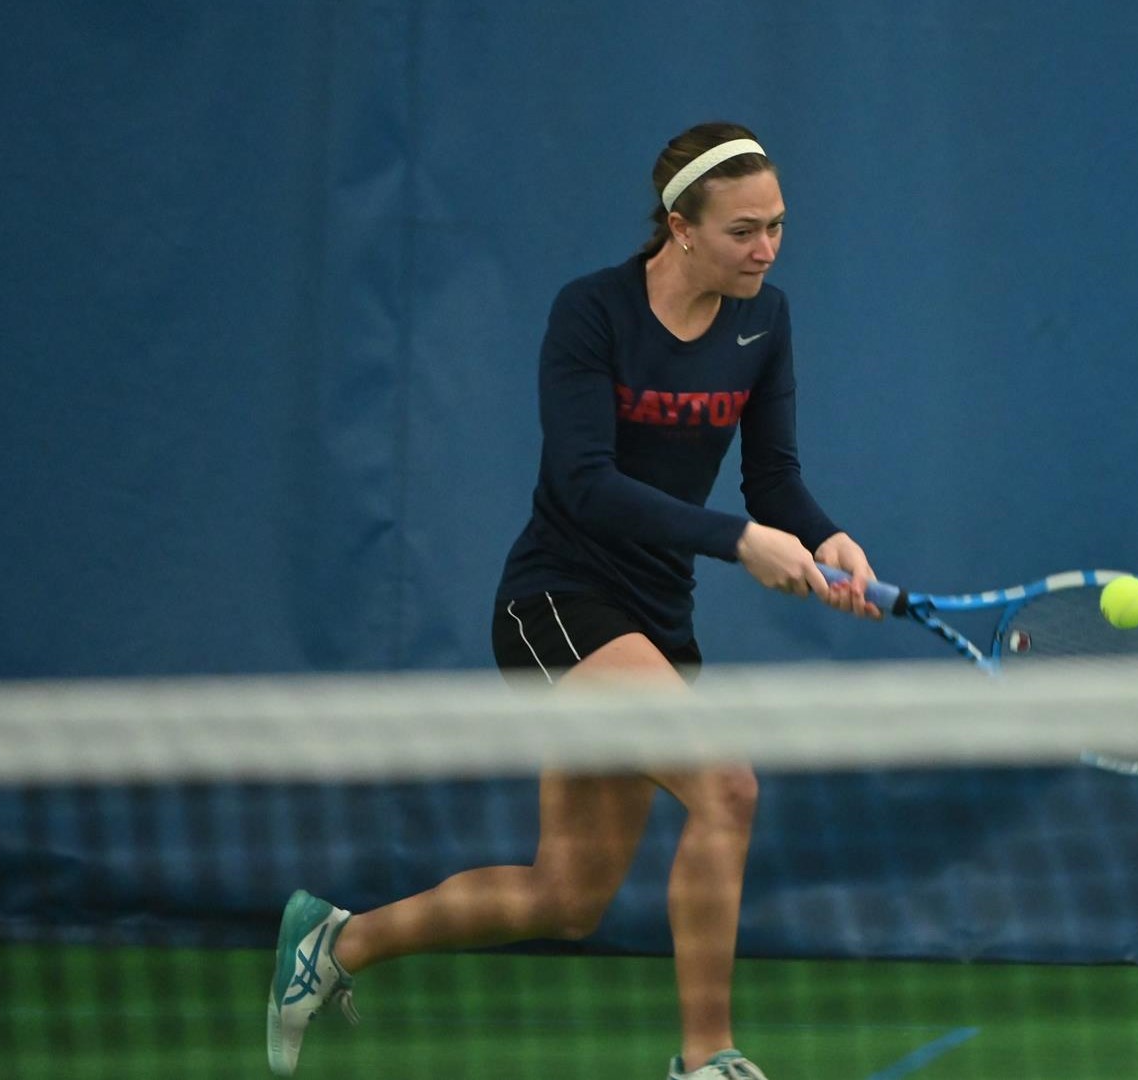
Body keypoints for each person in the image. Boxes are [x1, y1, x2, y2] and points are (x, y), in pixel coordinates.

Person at [267, 122, 881, 1080]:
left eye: (777, 226)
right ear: (680, 227)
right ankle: (706, 1061)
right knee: (726, 785)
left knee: (566, 897)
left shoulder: (765, 320)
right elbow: (586, 481)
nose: (765, 248)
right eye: (742, 230)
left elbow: (774, 480)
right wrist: (737, 542)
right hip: (558, 602)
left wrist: (822, 534)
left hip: (656, 619)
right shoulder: (592, 313)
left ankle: (335, 945)